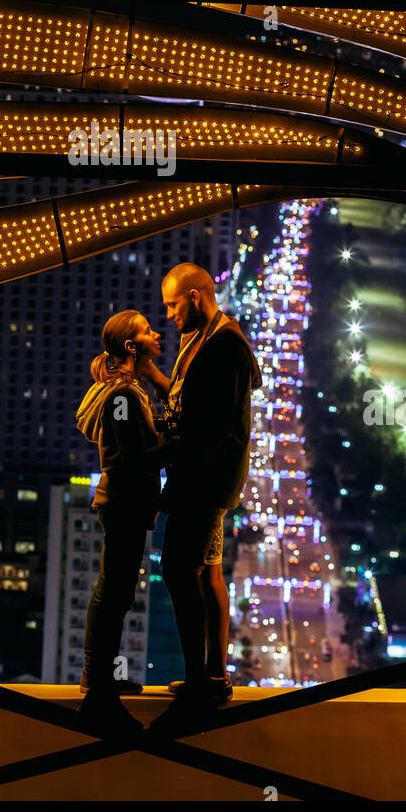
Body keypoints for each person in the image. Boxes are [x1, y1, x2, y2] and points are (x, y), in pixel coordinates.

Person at [141, 262, 261, 729]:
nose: (168, 315)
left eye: (172, 305)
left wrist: (154, 463)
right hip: (206, 478)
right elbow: (189, 408)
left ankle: (197, 686)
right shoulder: (205, 339)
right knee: (209, 573)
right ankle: (213, 675)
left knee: (177, 570)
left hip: (204, 481)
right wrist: (153, 374)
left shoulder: (225, 346)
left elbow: (210, 430)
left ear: (194, 297)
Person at [75, 309, 171, 732]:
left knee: (113, 591)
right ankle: (100, 693)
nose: (157, 334)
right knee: (114, 594)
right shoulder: (122, 397)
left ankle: (98, 679)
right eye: (148, 331)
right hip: (125, 502)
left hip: (125, 502)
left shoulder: (126, 391)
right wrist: (181, 446)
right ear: (131, 346)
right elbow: (137, 456)